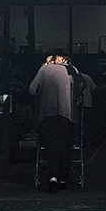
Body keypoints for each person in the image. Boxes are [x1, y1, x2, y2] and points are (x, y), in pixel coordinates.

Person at [29, 54, 78, 192]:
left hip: (47, 114)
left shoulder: (44, 70)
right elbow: (81, 87)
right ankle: (63, 177)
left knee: (51, 145)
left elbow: (32, 90)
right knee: (64, 145)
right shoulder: (71, 69)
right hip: (67, 114)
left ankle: (53, 177)